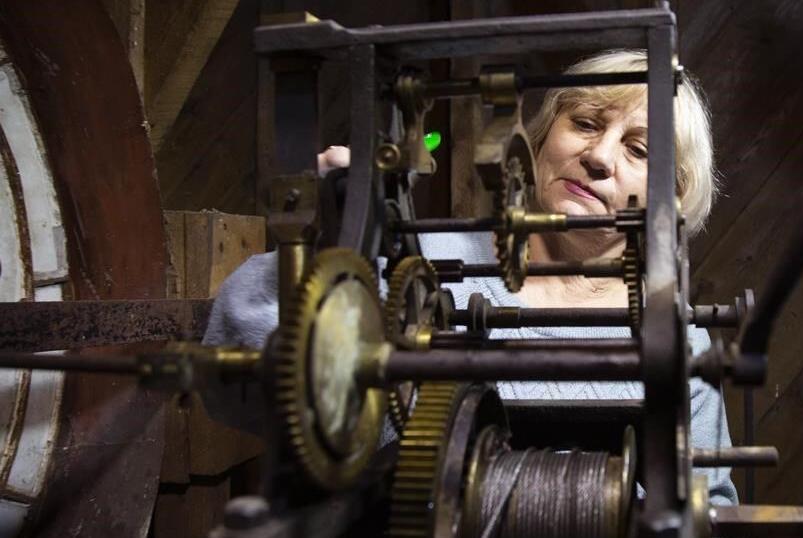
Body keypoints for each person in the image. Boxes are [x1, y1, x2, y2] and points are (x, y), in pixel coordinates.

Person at [204, 49, 737, 505]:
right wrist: (333, 239)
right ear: (541, 137)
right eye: (586, 123)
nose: (598, 156)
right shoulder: (418, 257)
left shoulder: (679, 343)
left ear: (673, 196)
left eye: (638, 150)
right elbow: (232, 362)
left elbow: (706, 510)